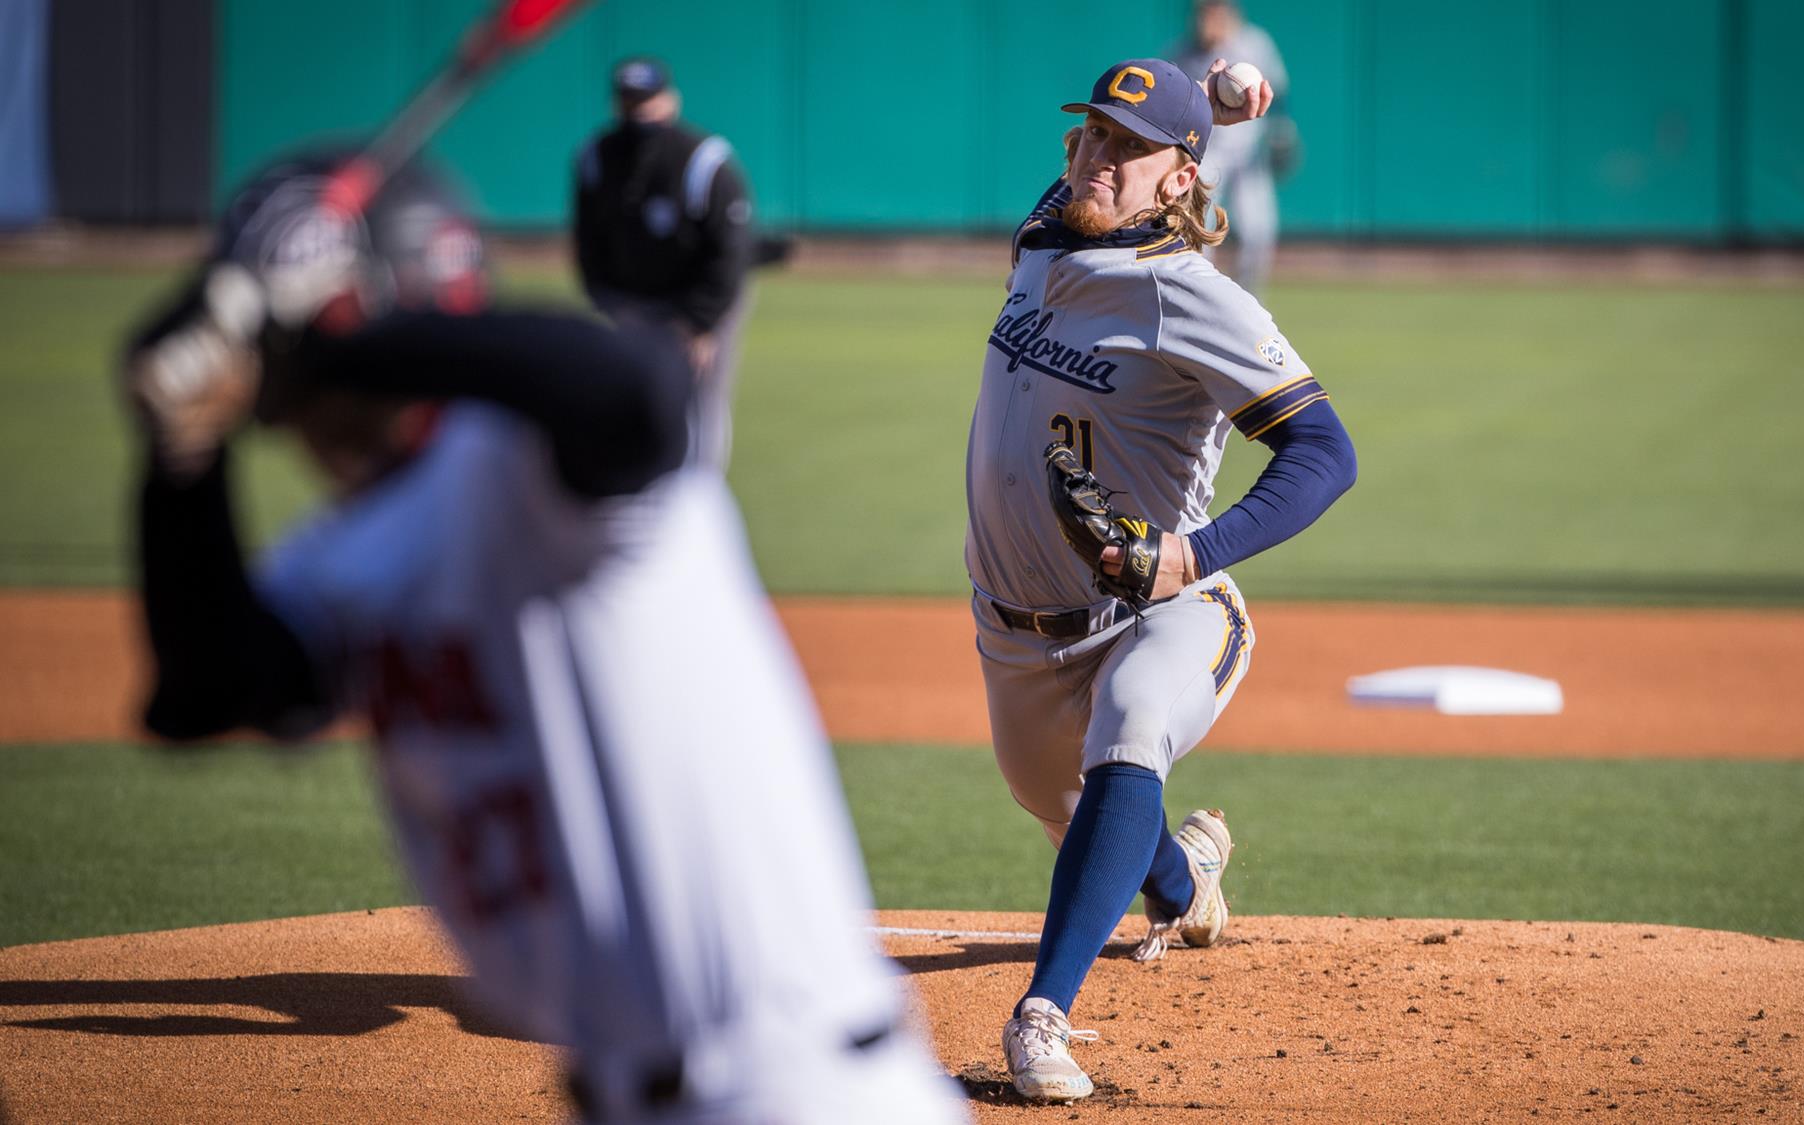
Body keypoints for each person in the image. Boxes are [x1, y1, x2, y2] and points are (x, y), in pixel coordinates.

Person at [125, 151, 966, 1124]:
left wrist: (335, 340)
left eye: (300, 380)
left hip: (787, 1089)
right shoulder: (346, 556)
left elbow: (633, 389)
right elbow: (208, 690)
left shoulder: (541, 476)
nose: (298, 413)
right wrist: (179, 463)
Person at [965, 58, 1357, 1102]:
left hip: (1157, 605)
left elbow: (1325, 453)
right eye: (1091, 136)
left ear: (1176, 180)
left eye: (1126, 147)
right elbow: (1118, 177)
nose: (1098, 158)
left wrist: (1193, 553)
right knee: (1084, 813)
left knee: (1130, 732)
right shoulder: (1050, 236)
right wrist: (1207, 118)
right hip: (1015, 640)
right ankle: (1186, 886)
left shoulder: (1191, 300)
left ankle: (1040, 1020)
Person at [573, 57, 756, 468]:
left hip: (699, 300)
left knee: (701, 406)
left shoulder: (704, 161)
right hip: (632, 304)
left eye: (647, 99)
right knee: (630, 399)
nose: (639, 110)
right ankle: (637, 489)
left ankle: (699, 496)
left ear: (670, 100)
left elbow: (730, 251)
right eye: (629, 100)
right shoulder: (597, 157)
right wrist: (608, 304)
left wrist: (702, 322)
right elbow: (588, 243)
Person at [1170, 0, 1293, 295]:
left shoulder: (1255, 43)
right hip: (1206, 151)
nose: (1210, 14)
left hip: (1249, 151)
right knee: (1198, 229)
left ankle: (1249, 301)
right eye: (1204, 9)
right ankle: (1200, 296)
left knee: (1257, 231)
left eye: (1215, 7)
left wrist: (1283, 127)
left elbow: (1279, 90)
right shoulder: (1182, 52)